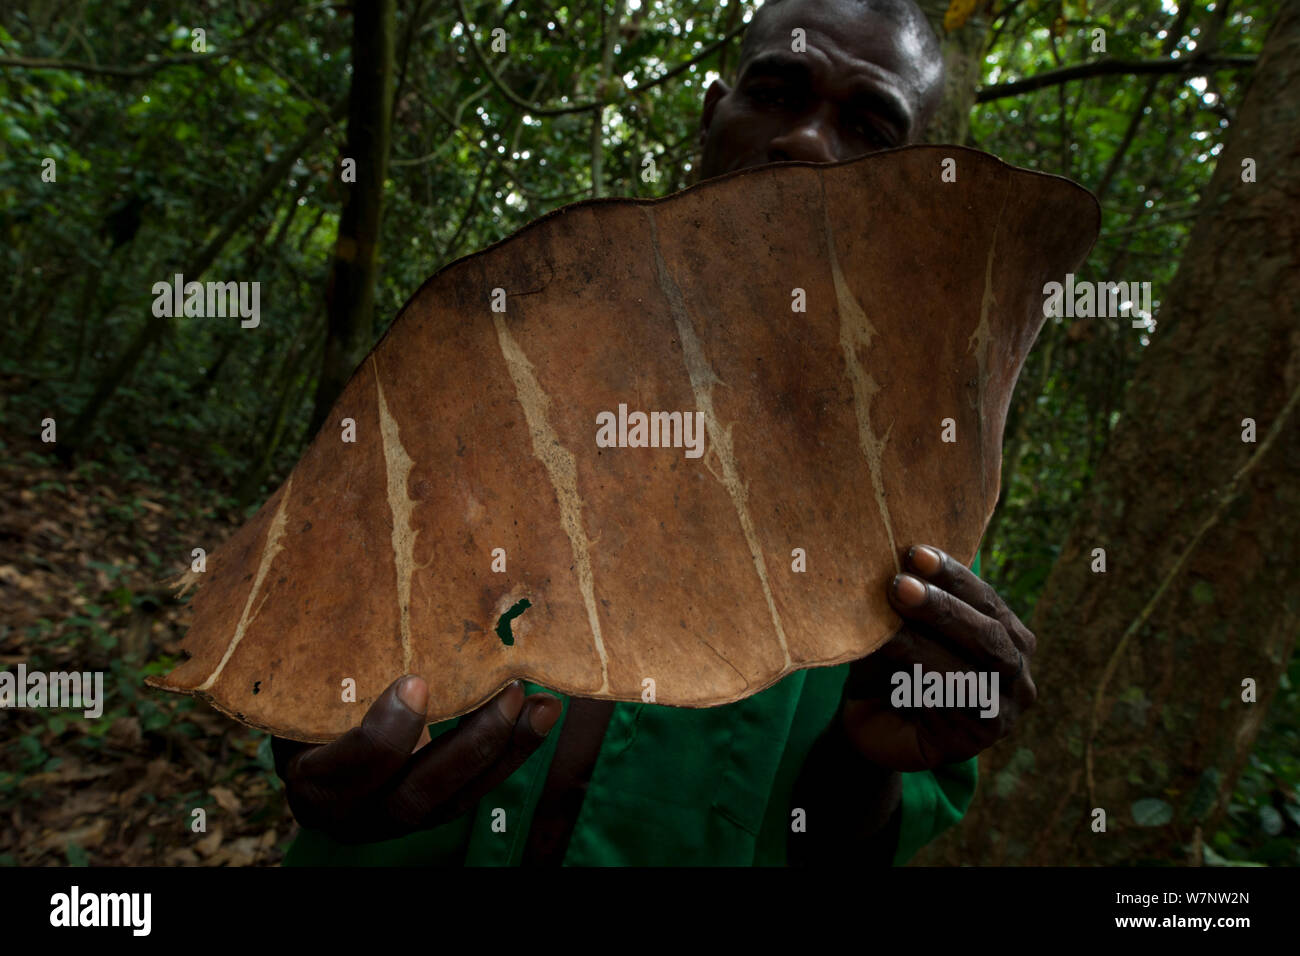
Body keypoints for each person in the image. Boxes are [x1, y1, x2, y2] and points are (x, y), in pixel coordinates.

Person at [275, 0, 1038, 866]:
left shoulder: (914, 500)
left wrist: (869, 763)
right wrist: (307, 754)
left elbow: (845, 840)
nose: (809, 145)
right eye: (778, 92)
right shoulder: (479, 364)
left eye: (867, 127)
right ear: (714, 116)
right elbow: (301, 650)